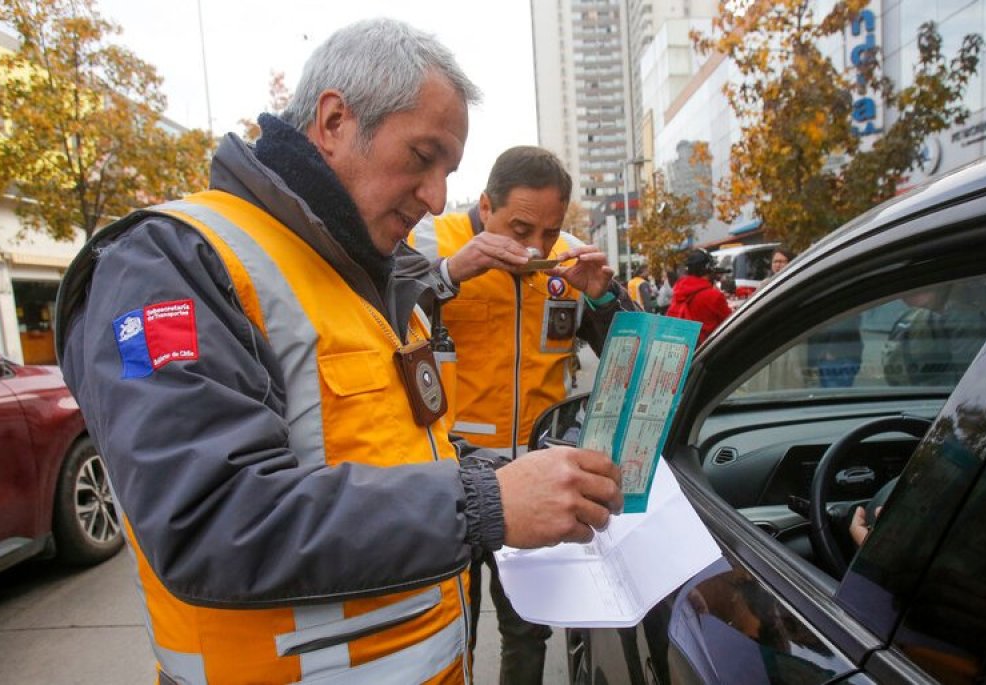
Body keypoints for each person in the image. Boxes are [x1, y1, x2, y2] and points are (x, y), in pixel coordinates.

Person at [53, 19, 622, 685]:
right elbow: (208, 517)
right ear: (332, 121)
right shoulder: (173, 262)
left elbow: (393, 452)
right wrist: (484, 499)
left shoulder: (368, 277)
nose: (438, 197)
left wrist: (516, 477)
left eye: (449, 172)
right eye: (422, 157)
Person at [408, 145, 632, 683]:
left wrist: (603, 299)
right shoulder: (428, 243)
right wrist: (447, 275)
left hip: (538, 481)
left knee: (528, 628)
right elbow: (378, 321)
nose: (535, 248)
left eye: (549, 232)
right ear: (486, 206)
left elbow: (632, 363)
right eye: (520, 228)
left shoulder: (571, 261)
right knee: (450, 627)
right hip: (448, 476)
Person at [667, 249, 732, 343]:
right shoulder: (713, 296)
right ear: (708, 268)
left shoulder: (679, 292)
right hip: (712, 350)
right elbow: (731, 324)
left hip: (690, 352)